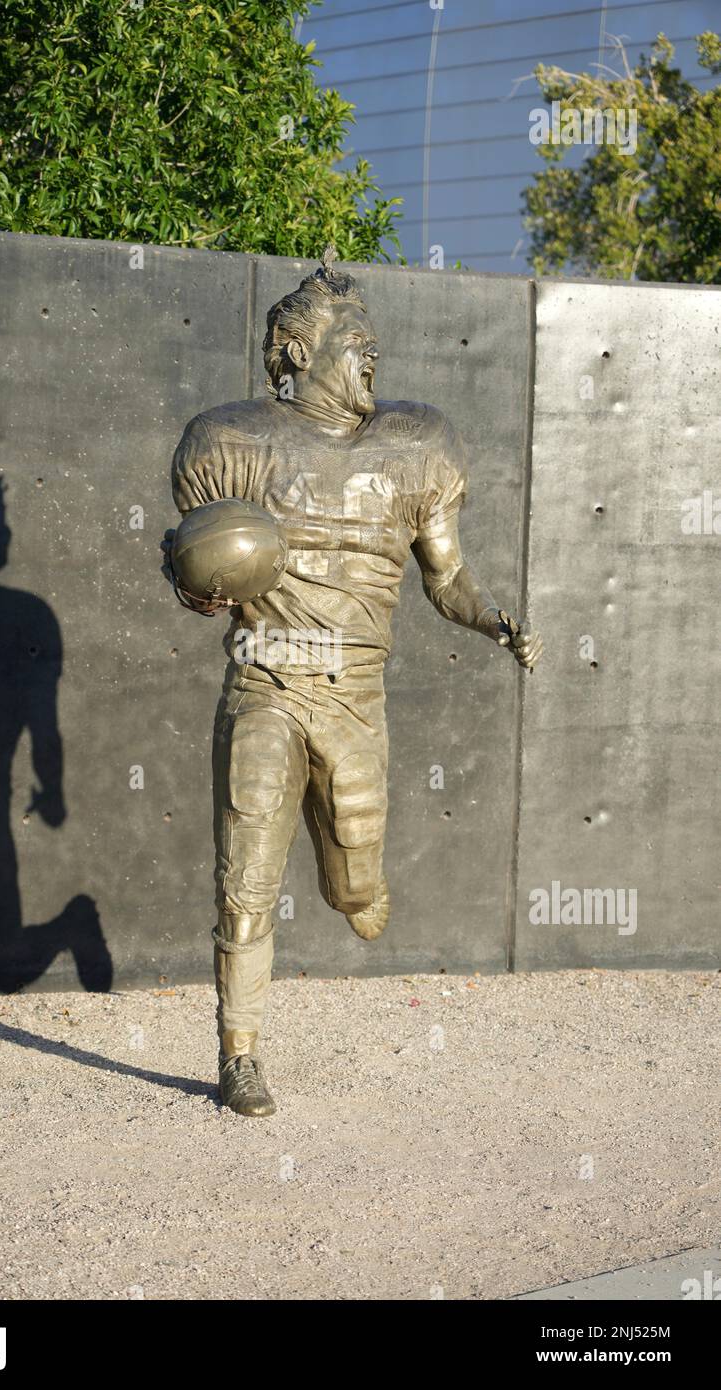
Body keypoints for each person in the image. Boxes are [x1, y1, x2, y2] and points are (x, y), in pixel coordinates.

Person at [168, 251, 542, 1117]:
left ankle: (356, 881)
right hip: (265, 678)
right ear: (297, 351)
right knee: (247, 871)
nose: (371, 354)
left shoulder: (417, 444)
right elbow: (192, 564)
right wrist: (198, 586)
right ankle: (239, 1053)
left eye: (374, 341)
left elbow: (446, 578)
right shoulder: (230, 442)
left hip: (355, 693)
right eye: (353, 339)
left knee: (356, 888)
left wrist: (494, 620)